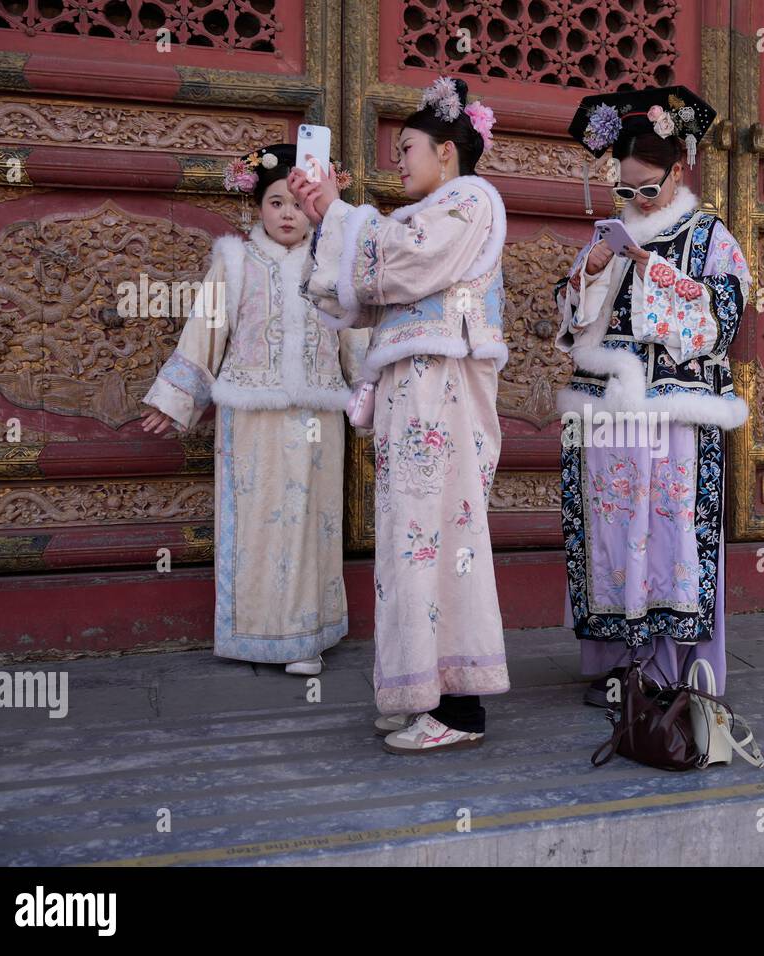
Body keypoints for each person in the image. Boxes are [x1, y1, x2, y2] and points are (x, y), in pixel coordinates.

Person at [289, 76, 510, 753]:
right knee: (415, 540)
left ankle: (460, 708)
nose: (400, 163)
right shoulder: (441, 205)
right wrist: (334, 215)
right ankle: (424, 690)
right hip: (416, 394)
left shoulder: (470, 198)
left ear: (447, 151)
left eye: (407, 148)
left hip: (440, 392)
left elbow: (404, 260)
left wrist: (340, 213)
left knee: (438, 538)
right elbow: (370, 282)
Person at [553, 86, 751, 705]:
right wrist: (587, 275)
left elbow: (722, 317)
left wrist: (652, 270)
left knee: (669, 534)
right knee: (614, 534)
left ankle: (669, 667)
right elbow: (572, 322)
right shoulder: (608, 238)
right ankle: (620, 662)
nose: (637, 200)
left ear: (679, 168)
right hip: (607, 410)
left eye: (648, 188)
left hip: (674, 413)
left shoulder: (710, 236)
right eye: (626, 189)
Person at [140, 144, 368, 675]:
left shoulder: (333, 262)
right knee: (259, 526)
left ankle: (305, 638)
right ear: (257, 207)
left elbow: (357, 339)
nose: (288, 214)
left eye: (296, 203)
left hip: (317, 419)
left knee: (312, 525)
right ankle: (259, 634)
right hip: (252, 420)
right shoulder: (234, 260)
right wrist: (176, 399)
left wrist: (376, 399)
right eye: (275, 203)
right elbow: (206, 330)